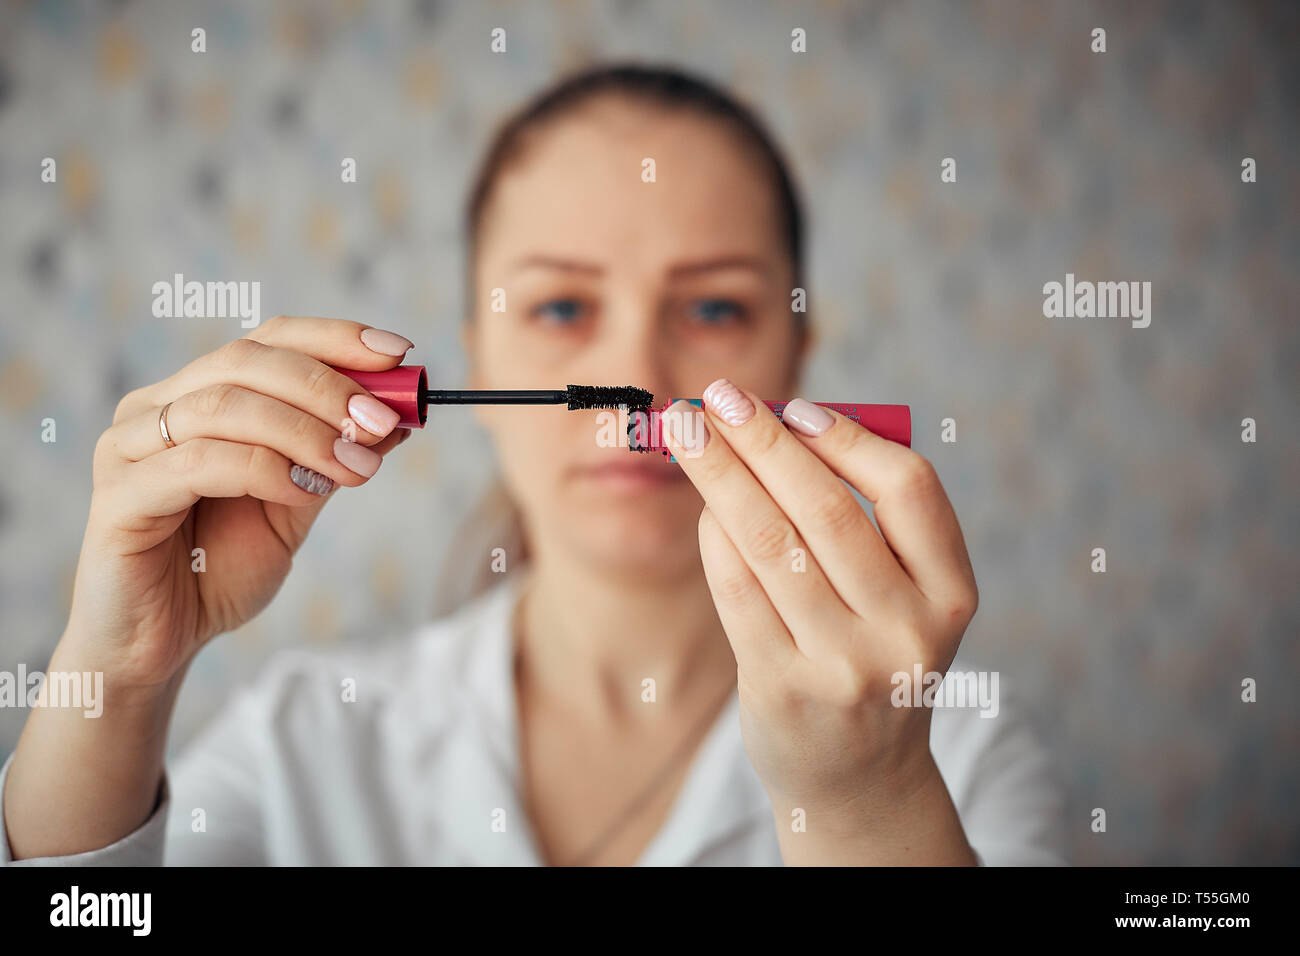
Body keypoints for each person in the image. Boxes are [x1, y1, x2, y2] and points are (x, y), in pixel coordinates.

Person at [1, 64, 1064, 866]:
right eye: (560, 306)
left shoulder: (947, 754)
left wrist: (864, 800)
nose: (635, 369)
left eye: (714, 306)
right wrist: (120, 677)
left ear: (797, 350)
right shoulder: (304, 740)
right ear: (476, 345)